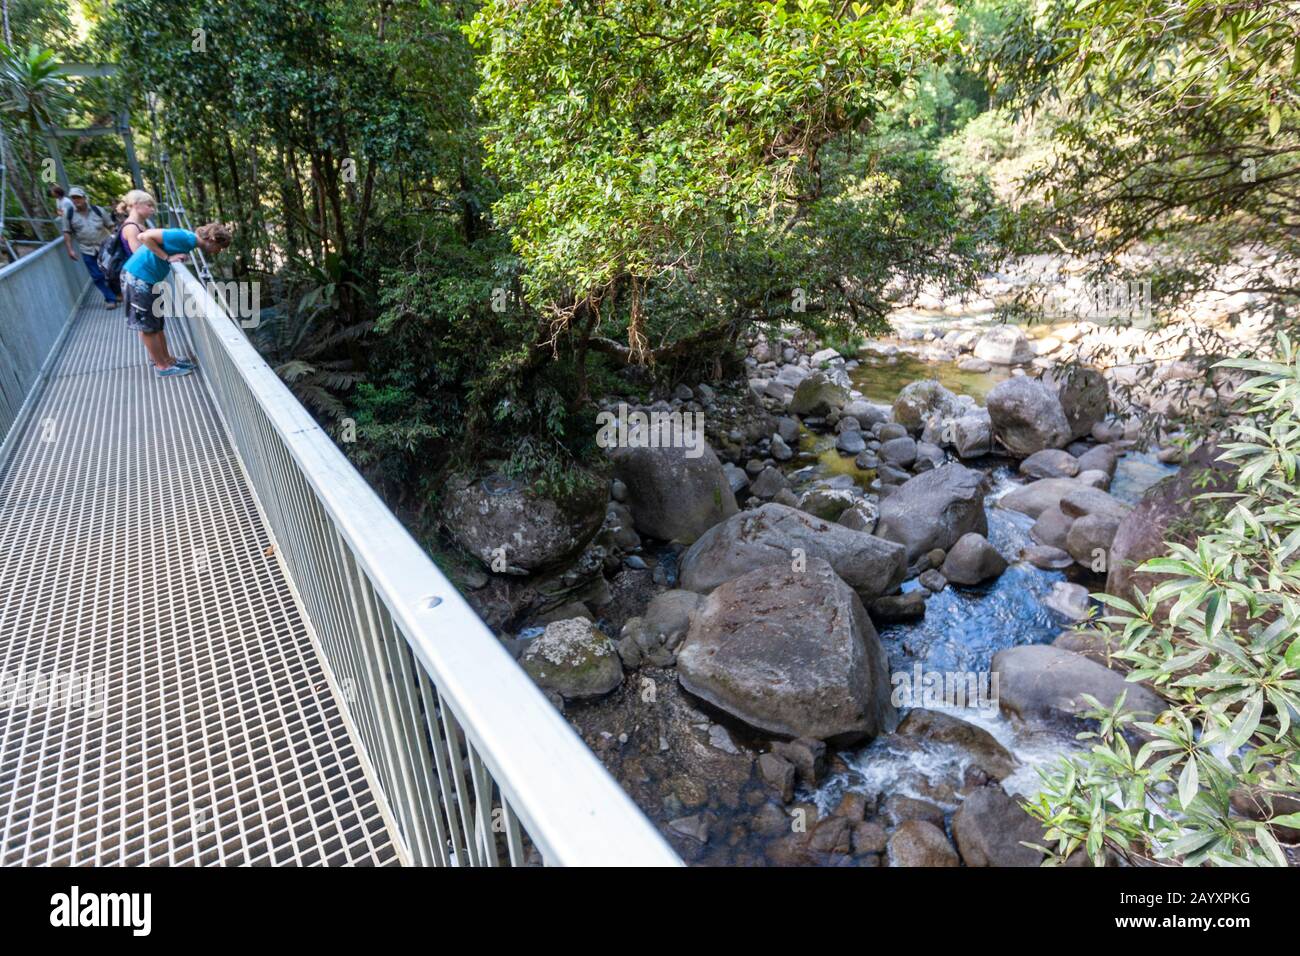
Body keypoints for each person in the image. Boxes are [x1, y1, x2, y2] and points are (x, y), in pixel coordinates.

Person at [121, 222, 233, 378]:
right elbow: (143, 236)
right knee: (148, 326)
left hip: (147, 279)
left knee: (156, 324)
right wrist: (167, 258)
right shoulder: (184, 237)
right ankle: (162, 366)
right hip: (138, 278)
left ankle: (167, 359)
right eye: (219, 248)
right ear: (213, 239)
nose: (217, 252)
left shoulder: (189, 242)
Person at [61, 187, 118, 309]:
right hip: (86, 249)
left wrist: (115, 241)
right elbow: (67, 232)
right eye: (73, 198)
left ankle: (116, 292)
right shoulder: (69, 214)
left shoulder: (98, 210)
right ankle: (110, 298)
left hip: (104, 247)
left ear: (84, 198)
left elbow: (111, 226)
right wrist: (70, 249)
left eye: (78, 197)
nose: (76, 200)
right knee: (97, 276)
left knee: (111, 272)